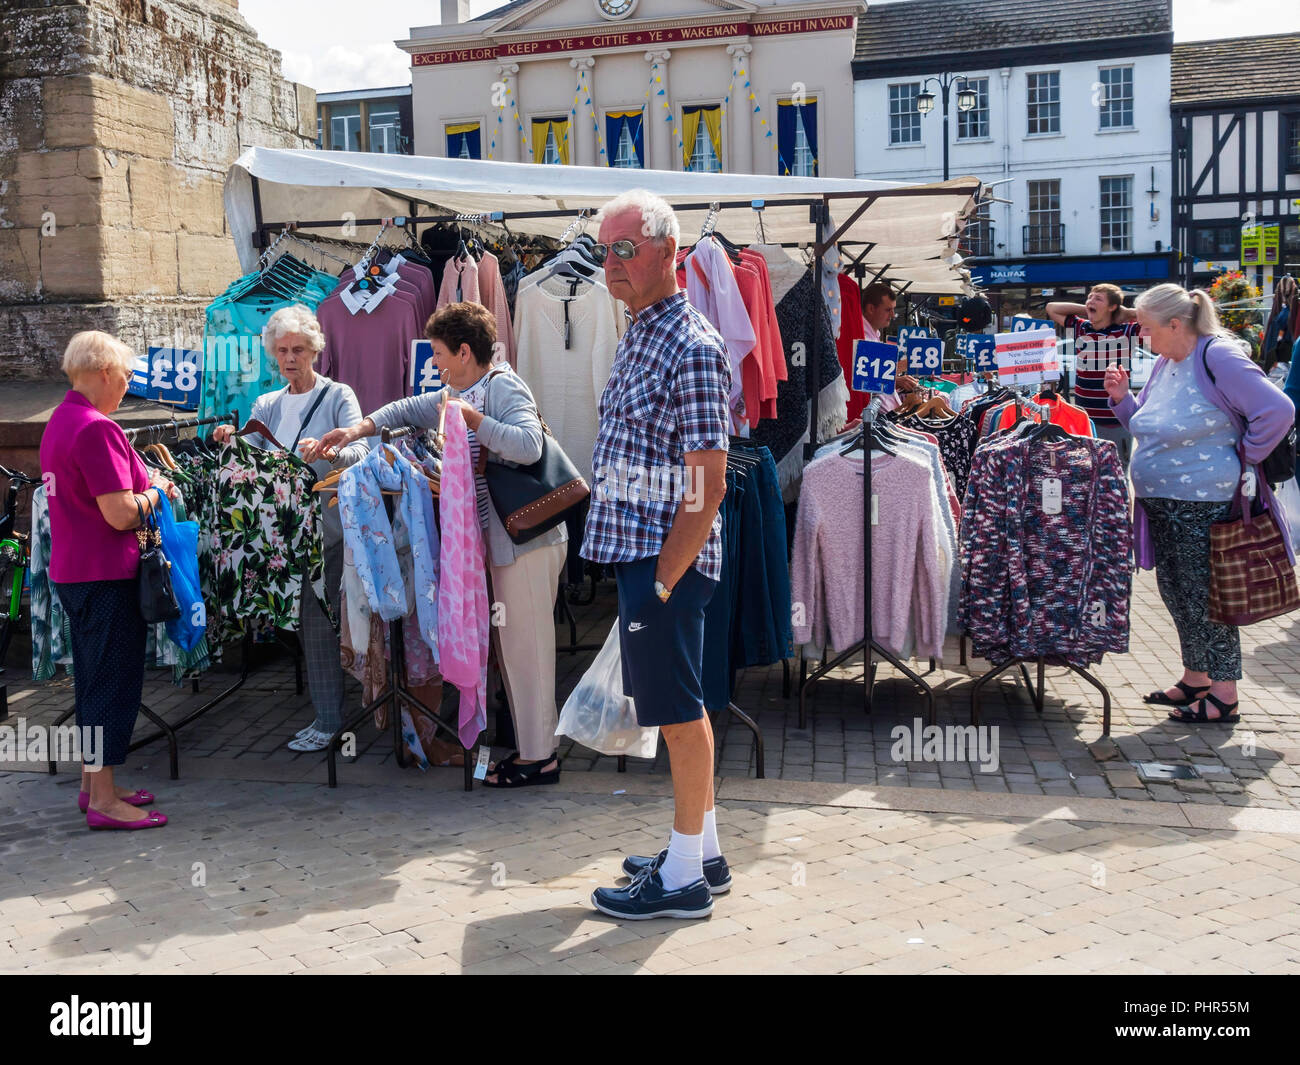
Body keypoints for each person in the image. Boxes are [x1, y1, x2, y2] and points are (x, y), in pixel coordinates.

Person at [308, 302, 569, 786]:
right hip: (508, 543)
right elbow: (406, 408)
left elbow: (529, 445)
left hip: (528, 542)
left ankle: (541, 759)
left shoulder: (500, 386)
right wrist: (357, 429)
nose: (436, 365)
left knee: (529, 652)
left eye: (441, 355)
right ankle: (532, 750)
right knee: (513, 652)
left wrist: (474, 421)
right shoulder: (458, 391)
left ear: (466, 351)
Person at [581, 190, 731, 920]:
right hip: (642, 553)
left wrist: (666, 580)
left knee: (677, 711)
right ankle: (700, 851)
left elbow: (708, 480)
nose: (610, 263)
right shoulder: (642, 328)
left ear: (668, 250)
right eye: (604, 249)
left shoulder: (692, 345)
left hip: (662, 559)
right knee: (680, 703)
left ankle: (682, 881)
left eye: (624, 248)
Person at [1105, 283, 1294, 724]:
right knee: (1178, 592)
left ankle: (1224, 695)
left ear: (1176, 324)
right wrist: (1122, 401)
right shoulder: (1167, 363)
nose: (1144, 339)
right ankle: (1196, 678)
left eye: (1148, 329)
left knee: (1208, 598)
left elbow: (1278, 409)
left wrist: (1244, 456)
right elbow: (1152, 425)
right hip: (1167, 500)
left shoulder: (1218, 356)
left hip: (1203, 501)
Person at [212, 305, 369, 752]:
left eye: (298, 349)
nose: (290, 358)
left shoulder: (339, 395)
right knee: (308, 621)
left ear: (315, 350)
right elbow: (249, 459)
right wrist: (230, 440)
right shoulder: (267, 403)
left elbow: (363, 454)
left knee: (319, 622)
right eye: (281, 350)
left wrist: (330, 453)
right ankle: (330, 712)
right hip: (281, 535)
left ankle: (330, 719)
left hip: (328, 529)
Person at [40, 331, 177, 830]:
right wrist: (158, 491)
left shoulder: (60, 420)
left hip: (77, 572)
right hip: (105, 574)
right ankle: (102, 801)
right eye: (124, 376)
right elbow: (120, 514)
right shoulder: (97, 429)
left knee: (94, 681)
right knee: (111, 687)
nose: (127, 385)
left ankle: (94, 784)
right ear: (103, 374)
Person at [1048, 284, 1141, 469]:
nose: (1091, 300)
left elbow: (1153, 319)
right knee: (1086, 472)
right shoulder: (1081, 327)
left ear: (1113, 307)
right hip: (1085, 419)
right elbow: (1051, 308)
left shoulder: (1127, 331)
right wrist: (1091, 308)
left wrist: (1126, 313)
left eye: (1098, 298)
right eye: (1090, 297)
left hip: (1116, 421)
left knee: (1116, 471)